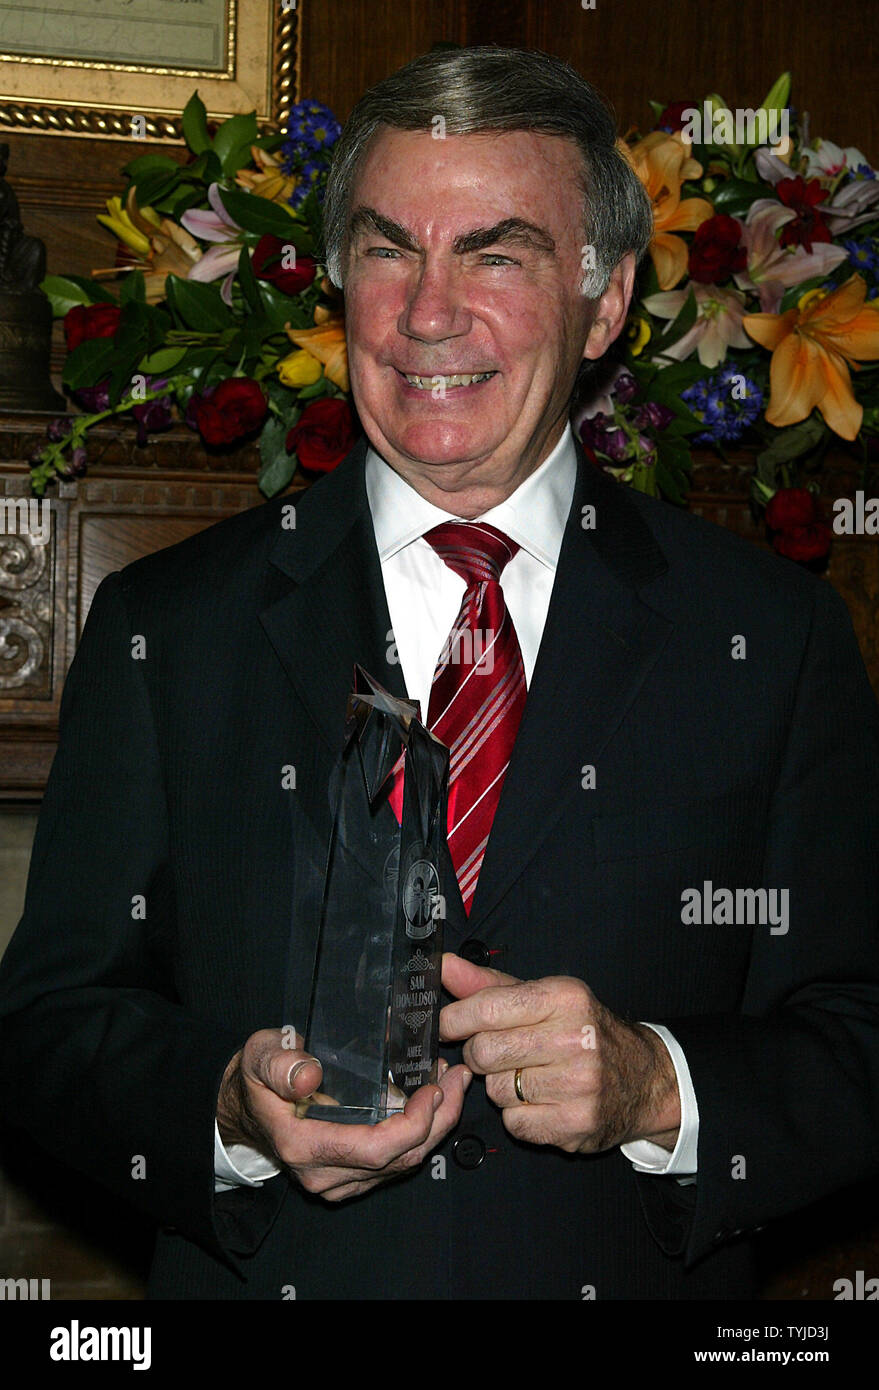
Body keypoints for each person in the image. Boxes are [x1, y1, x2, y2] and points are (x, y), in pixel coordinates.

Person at [1, 46, 877, 1302]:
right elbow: (45, 1027)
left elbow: (857, 1032)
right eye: (388, 249)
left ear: (608, 298)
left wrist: (655, 1084)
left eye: (497, 253)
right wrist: (230, 1114)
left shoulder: (772, 639)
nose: (427, 312)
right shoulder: (168, 631)